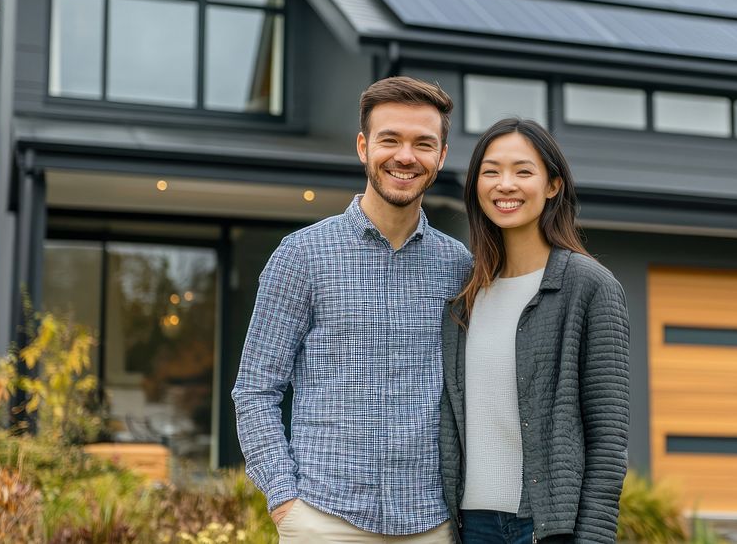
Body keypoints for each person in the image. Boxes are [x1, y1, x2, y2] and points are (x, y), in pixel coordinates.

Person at [232, 76, 472, 543]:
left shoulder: (458, 266)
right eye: (390, 140)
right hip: (326, 519)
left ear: (440, 157)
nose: (406, 156)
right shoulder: (302, 255)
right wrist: (285, 501)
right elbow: (255, 391)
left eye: (423, 143)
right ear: (363, 146)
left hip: (432, 523)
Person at [440, 119, 629, 544]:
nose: (505, 184)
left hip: (547, 528)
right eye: (491, 172)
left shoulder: (589, 287)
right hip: (470, 526)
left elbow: (608, 440)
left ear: (552, 186)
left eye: (523, 171)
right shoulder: (462, 294)